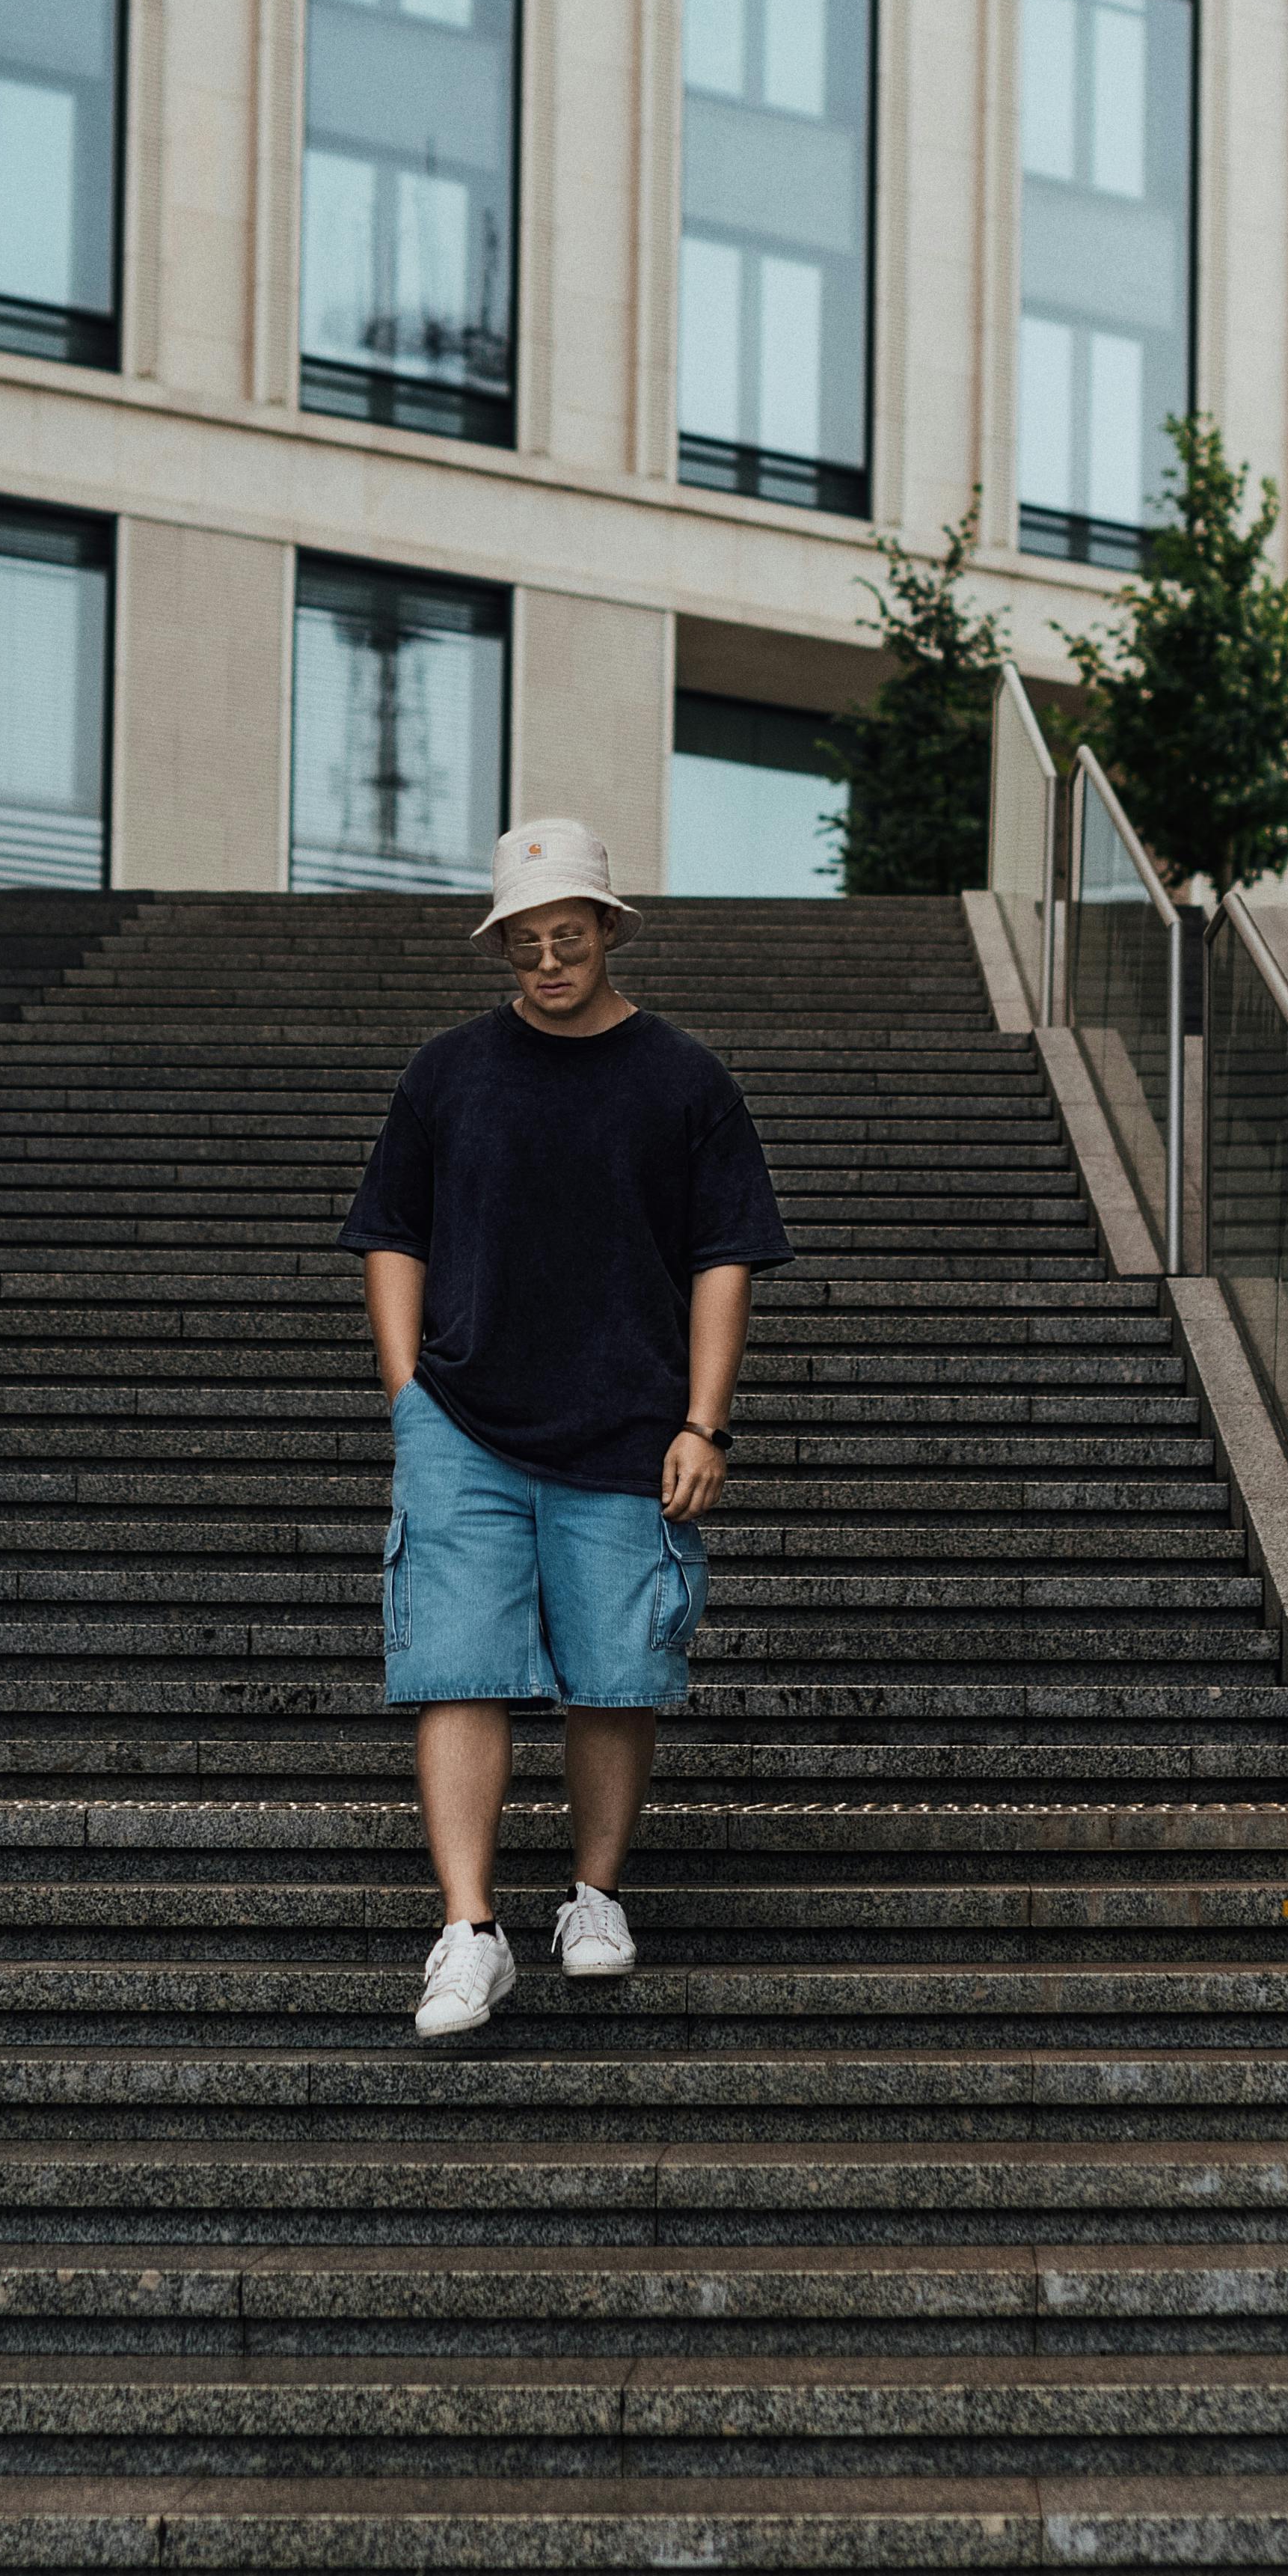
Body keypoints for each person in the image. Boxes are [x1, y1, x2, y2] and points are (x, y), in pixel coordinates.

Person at [340, 816, 791, 2038]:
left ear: (606, 931)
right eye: (527, 942)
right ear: (504, 950)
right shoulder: (447, 1073)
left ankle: (594, 1899)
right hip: (464, 1421)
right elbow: (393, 1230)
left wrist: (706, 1422)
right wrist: (406, 1391)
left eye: (568, 935)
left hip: (631, 1424)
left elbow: (725, 1258)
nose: (549, 959)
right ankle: (469, 1931)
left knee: (616, 1673)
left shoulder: (683, 1078)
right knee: (455, 1667)